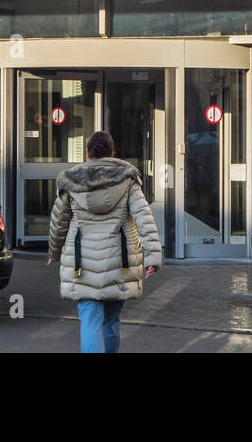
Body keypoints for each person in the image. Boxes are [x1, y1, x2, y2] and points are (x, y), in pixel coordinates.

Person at [46, 130, 161, 353]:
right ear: (113, 152)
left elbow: (58, 220)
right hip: (120, 263)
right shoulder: (128, 179)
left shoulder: (71, 180)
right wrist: (153, 257)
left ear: (88, 152)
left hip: (83, 265)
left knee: (90, 321)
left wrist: (54, 252)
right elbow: (144, 218)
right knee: (110, 321)